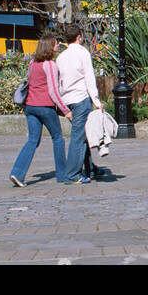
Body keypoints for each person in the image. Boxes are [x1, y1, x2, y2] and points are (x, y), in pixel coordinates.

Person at [9, 35, 72, 187]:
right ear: (50, 46)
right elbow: (53, 91)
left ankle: (17, 173)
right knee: (57, 138)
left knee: (33, 140)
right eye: (56, 43)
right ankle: (62, 174)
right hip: (45, 107)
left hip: (30, 107)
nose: (58, 45)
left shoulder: (33, 64)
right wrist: (65, 110)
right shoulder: (50, 65)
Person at [56, 24, 101, 184]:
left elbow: (59, 81)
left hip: (67, 100)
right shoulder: (83, 53)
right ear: (79, 37)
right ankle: (72, 174)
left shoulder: (61, 57)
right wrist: (96, 100)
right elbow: (89, 78)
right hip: (81, 98)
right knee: (78, 137)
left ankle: (91, 168)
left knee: (83, 133)